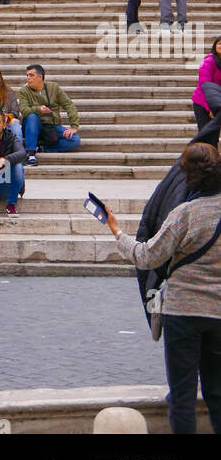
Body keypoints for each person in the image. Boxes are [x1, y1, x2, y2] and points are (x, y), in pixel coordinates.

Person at [106, 142, 221, 435]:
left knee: (182, 395)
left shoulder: (184, 214)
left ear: (187, 175)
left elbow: (146, 257)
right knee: (218, 392)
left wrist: (116, 231)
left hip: (183, 313)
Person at [19, 63, 81, 166]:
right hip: (33, 127)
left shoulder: (54, 87)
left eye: (31, 75)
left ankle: (42, 148)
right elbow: (23, 110)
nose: (28, 78)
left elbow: (69, 105)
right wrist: (39, 109)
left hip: (51, 127)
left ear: (40, 77)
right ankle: (31, 154)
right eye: (27, 75)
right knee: (32, 117)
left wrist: (74, 126)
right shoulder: (24, 91)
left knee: (75, 140)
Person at [191, 38, 221, 132]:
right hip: (203, 103)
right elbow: (206, 86)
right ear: (215, 46)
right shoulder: (209, 61)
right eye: (220, 43)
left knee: (214, 136)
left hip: (216, 103)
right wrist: (210, 109)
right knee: (206, 135)